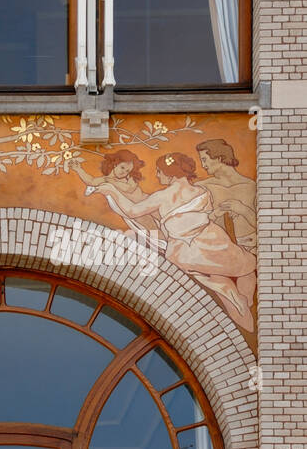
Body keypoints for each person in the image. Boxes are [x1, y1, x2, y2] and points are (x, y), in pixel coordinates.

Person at [91, 153, 255, 332]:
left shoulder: (163, 196)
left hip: (185, 251)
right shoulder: (201, 191)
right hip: (214, 242)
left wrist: (110, 190)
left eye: (160, 171)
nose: (158, 176)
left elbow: (132, 210)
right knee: (245, 266)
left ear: (170, 174)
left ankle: (236, 303)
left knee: (212, 278)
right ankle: (244, 304)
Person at [195, 139, 257, 252]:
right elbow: (194, 225)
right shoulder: (202, 187)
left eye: (204, 160)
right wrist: (217, 214)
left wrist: (243, 210)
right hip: (220, 250)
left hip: (252, 247)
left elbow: (267, 225)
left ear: (219, 158)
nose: (203, 165)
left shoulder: (251, 186)